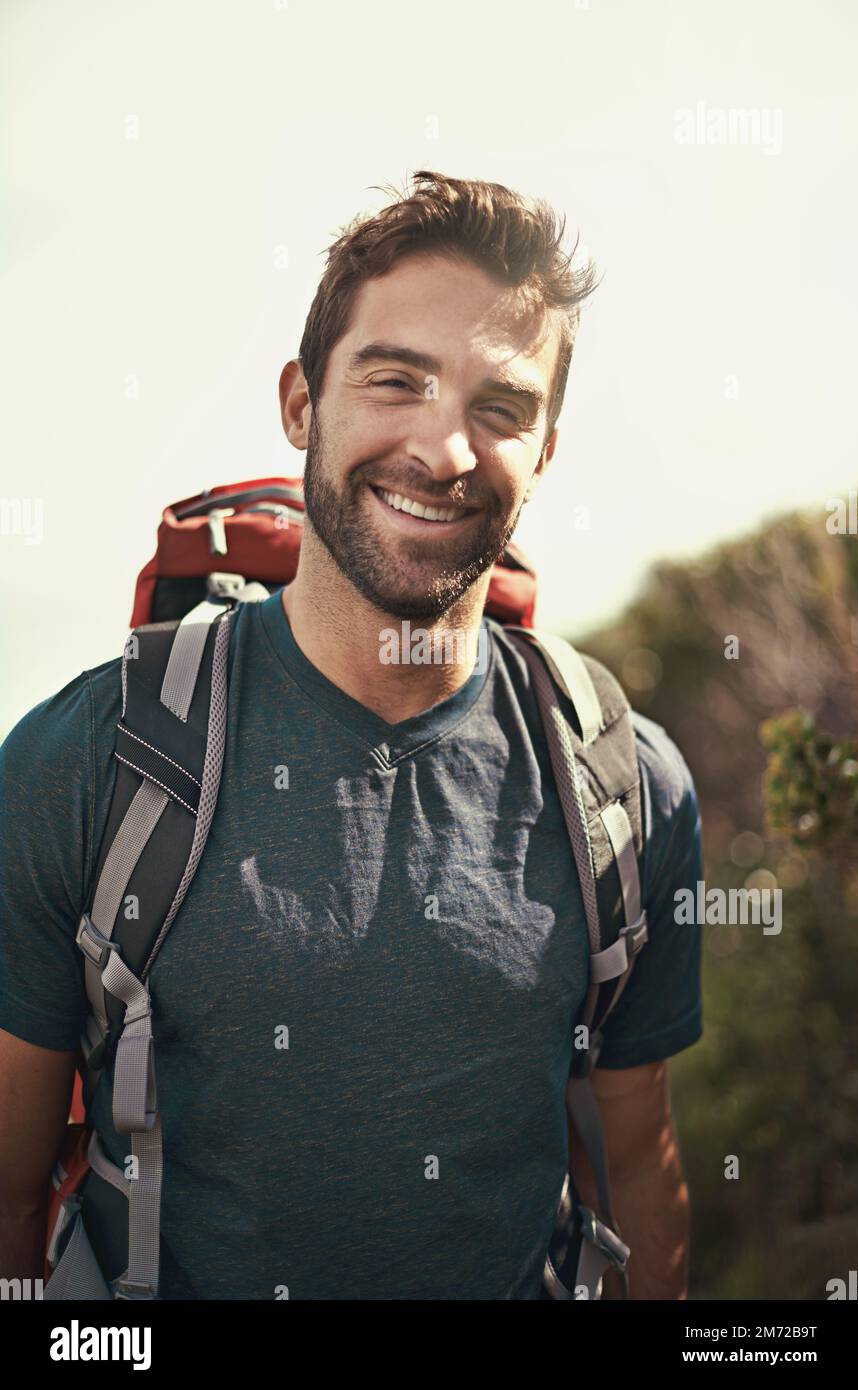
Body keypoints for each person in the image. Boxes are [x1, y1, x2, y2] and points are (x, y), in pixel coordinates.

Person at [0, 170, 703, 1300]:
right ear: (300, 402)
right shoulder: (85, 761)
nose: (444, 449)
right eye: (395, 381)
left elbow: (635, 1172)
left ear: (546, 449)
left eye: (501, 406)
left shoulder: (624, 785)